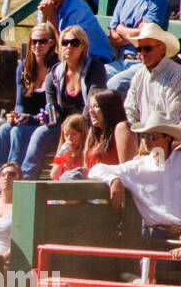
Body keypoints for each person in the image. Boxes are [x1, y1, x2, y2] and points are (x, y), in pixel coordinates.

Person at [89, 115, 181, 243]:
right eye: (144, 136)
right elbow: (96, 169)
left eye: (152, 136)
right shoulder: (137, 167)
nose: (146, 140)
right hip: (155, 238)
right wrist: (114, 179)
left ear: (167, 137)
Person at [0, 24, 59, 188]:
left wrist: (30, 119)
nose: (37, 46)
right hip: (30, 121)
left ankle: (16, 186)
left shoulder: (57, 68)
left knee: (19, 132)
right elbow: (20, 103)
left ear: (51, 43)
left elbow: (54, 111)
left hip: (49, 122)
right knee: (5, 130)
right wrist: (17, 116)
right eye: (33, 41)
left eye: (42, 41)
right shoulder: (24, 66)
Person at [43, 25, 111, 166]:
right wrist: (48, 117)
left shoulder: (95, 68)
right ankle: (24, 179)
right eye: (65, 43)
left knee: (78, 161)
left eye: (75, 43)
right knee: (37, 136)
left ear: (83, 47)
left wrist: (76, 129)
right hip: (64, 129)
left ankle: (76, 176)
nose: (69, 47)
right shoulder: (54, 74)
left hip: (88, 126)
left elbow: (93, 102)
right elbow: (52, 111)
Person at [123, 21, 181, 126]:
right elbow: (130, 110)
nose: (142, 53)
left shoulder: (178, 75)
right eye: (139, 49)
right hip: (142, 135)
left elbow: (173, 117)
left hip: (166, 136)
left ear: (162, 49)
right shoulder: (139, 75)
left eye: (147, 48)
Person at [105, 0, 171, 97]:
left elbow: (145, 34)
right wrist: (134, 33)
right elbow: (113, 39)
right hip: (122, 60)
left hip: (145, 63)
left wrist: (120, 28)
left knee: (113, 85)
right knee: (95, 76)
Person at [39, 0, 115, 62]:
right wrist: (44, 17)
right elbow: (38, 39)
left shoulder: (77, 9)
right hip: (73, 60)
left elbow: (68, 49)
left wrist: (52, 18)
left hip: (97, 60)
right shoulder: (46, 5)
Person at [84, 87, 138, 167]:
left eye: (96, 106)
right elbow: (86, 168)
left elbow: (127, 169)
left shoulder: (122, 128)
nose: (91, 111)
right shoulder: (93, 133)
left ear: (109, 108)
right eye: (90, 107)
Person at [50, 113, 89, 177]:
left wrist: (69, 164)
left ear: (83, 135)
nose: (69, 138)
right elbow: (53, 175)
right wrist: (62, 156)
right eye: (66, 135)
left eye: (74, 134)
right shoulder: (62, 153)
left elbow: (78, 178)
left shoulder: (86, 154)